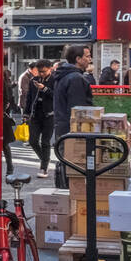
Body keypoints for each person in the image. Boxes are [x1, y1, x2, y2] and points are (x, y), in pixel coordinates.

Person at [52, 46, 94, 188]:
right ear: (78, 59)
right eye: (87, 56)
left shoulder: (63, 75)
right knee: (73, 166)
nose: (90, 59)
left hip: (62, 126)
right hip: (72, 129)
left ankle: (67, 191)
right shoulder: (75, 78)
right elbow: (79, 110)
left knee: (66, 162)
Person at [24, 60, 55, 178]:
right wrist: (26, 113)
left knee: (45, 142)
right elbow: (29, 98)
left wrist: (44, 89)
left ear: (50, 69)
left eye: (44, 71)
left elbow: (55, 95)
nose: (41, 74)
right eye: (39, 72)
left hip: (49, 115)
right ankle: (45, 160)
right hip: (35, 115)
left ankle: (43, 168)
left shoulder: (54, 80)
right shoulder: (33, 81)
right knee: (32, 141)